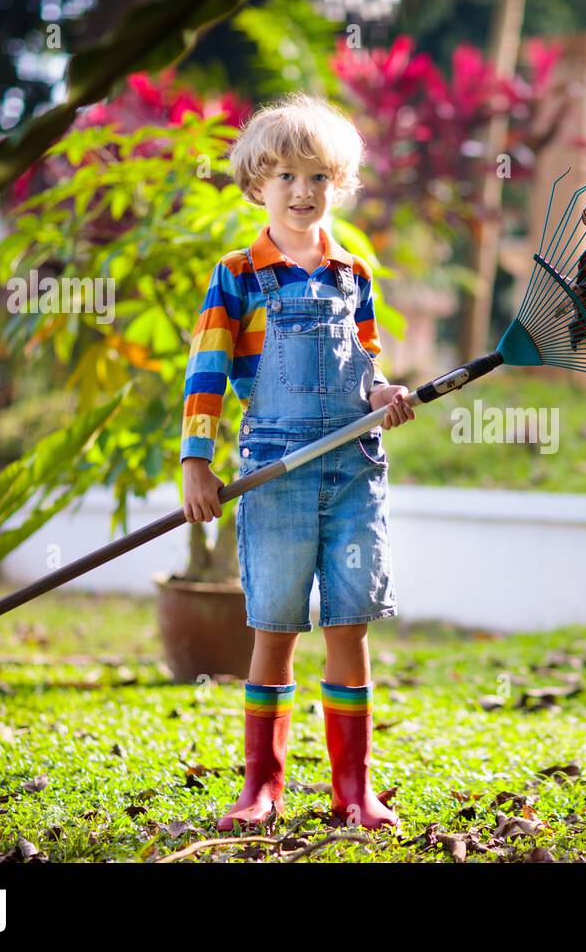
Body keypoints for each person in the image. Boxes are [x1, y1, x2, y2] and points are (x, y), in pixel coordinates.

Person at [179, 92, 414, 833]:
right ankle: (262, 790)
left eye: (317, 177)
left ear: (337, 184)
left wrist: (384, 393)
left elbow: (366, 362)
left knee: (350, 626)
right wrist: (196, 462)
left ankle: (353, 791)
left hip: (352, 470)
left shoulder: (353, 275)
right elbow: (206, 373)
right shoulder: (238, 273)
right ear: (257, 186)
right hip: (275, 472)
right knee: (275, 628)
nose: (302, 191)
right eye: (284, 176)